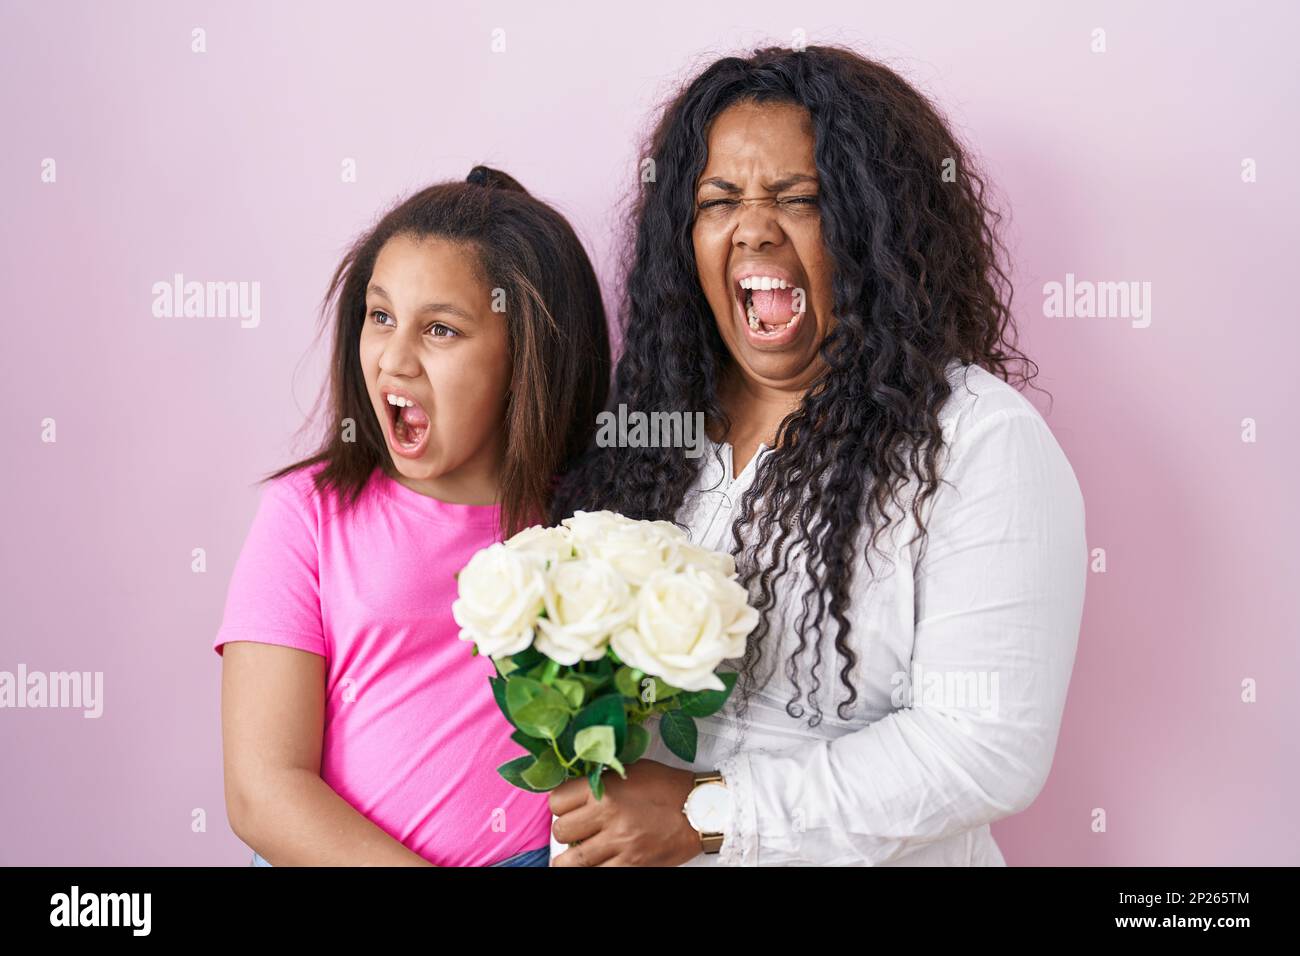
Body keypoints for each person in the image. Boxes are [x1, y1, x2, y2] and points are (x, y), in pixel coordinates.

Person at [548, 46, 1087, 866]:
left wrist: (709, 813)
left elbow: (985, 747)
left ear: (878, 228)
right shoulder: (652, 433)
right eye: (718, 200)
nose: (754, 228)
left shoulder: (978, 441)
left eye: (801, 199)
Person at [217, 166, 610, 866]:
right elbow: (262, 789)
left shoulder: (590, 528)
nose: (394, 359)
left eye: (441, 330)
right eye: (380, 316)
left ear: (528, 358)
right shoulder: (305, 516)